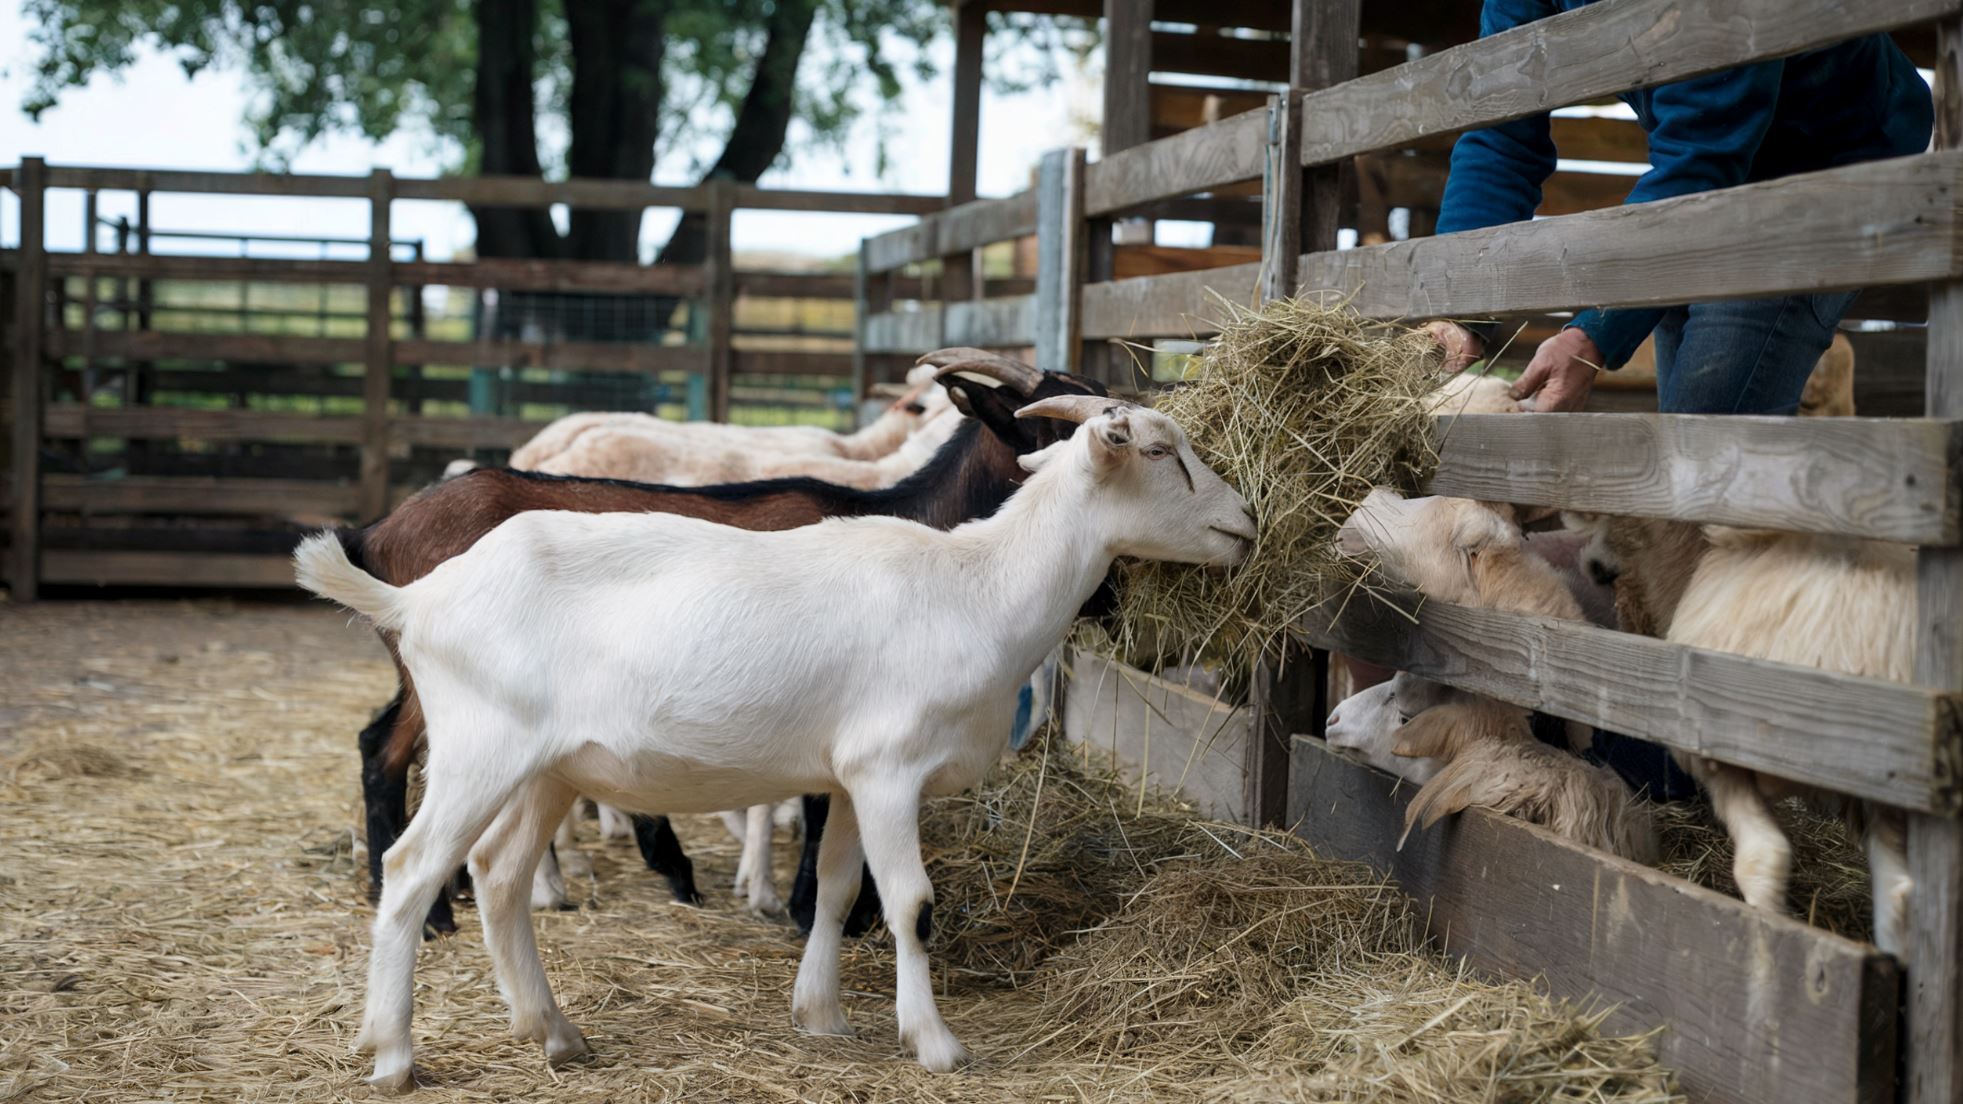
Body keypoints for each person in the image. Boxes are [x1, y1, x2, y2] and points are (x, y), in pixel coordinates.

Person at [1427, 0, 1933, 414]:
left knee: (1704, 426)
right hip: (1704, 165)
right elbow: (1502, 138)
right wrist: (1461, 312)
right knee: (1685, 409)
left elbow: (1700, 160)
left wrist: (1593, 334)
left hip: (1825, 164)